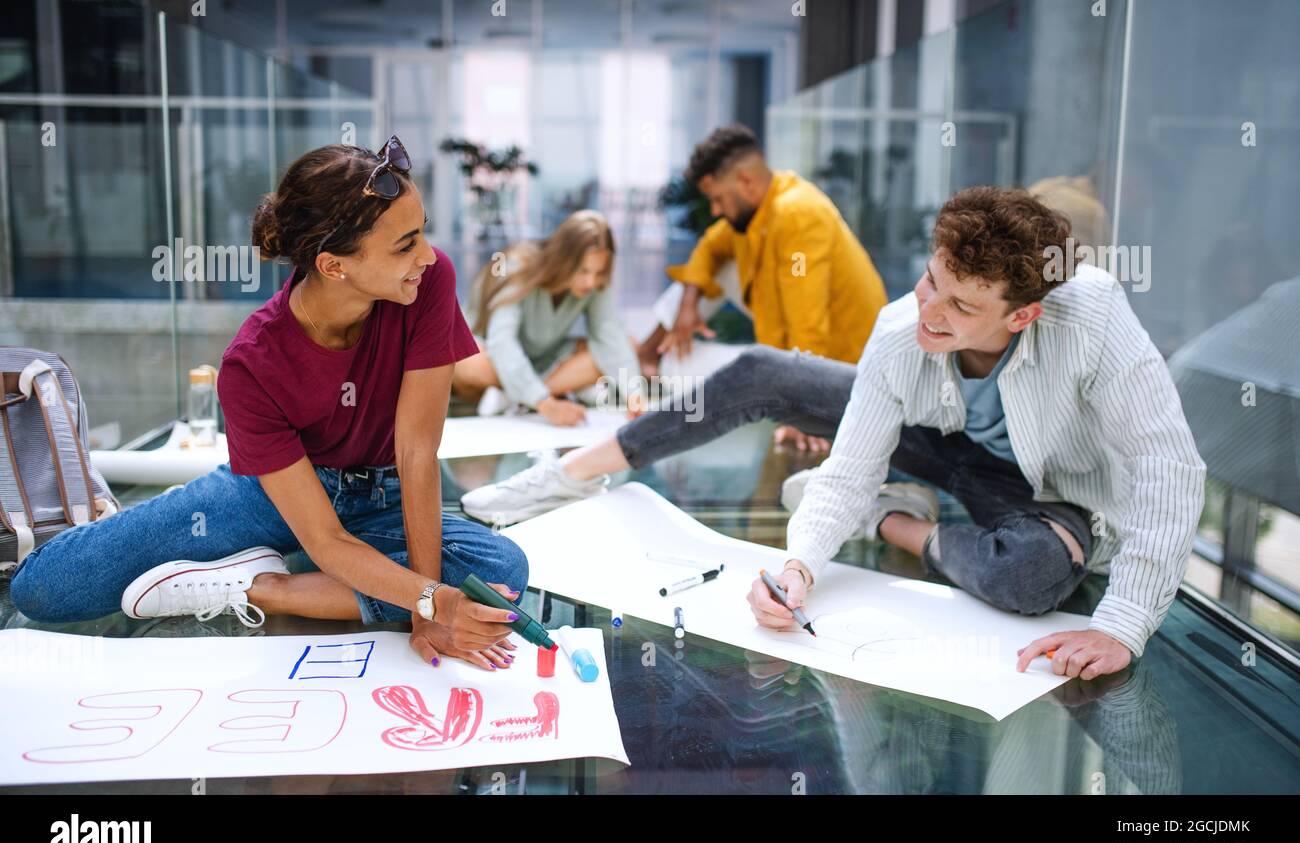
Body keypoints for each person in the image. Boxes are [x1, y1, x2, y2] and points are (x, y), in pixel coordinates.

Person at [464, 187, 1206, 680]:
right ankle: (575, 469)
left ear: (1022, 316)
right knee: (761, 372)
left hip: (1045, 500)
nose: (930, 313)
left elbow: (1169, 465)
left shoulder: (1094, 316)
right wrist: (800, 572)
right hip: (937, 445)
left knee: (1032, 578)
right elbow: (848, 467)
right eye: (930, 281)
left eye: (960, 306)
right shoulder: (905, 328)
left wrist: (1125, 624)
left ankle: (897, 519)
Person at [8, 137, 527, 670]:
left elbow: (417, 451)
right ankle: (329, 577)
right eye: (405, 245)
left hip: (384, 492)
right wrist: (428, 597)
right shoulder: (251, 364)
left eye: (422, 233)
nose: (426, 256)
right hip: (275, 494)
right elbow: (324, 538)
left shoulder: (427, 281)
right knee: (47, 590)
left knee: (499, 571)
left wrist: (426, 608)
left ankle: (256, 587)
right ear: (332, 265)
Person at [643, 123, 889, 452]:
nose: (714, 210)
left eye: (718, 199)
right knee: (716, 269)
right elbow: (709, 248)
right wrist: (689, 305)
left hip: (840, 375)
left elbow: (808, 324)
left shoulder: (797, 214)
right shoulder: (758, 211)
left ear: (745, 181)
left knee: (680, 375)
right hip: (786, 360)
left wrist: (803, 412)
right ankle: (649, 350)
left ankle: (650, 362)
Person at [452, 209, 644, 426]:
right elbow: (502, 343)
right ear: (564, 260)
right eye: (582, 271)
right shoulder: (516, 264)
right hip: (492, 360)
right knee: (465, 360)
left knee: (628, 344)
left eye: (599, 272)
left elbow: (611, 336)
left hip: (544, 363)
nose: (591, 281)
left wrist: (634, 396)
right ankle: (529, 395)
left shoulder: (595, 282)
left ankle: (514, 398)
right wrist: (545, 403)